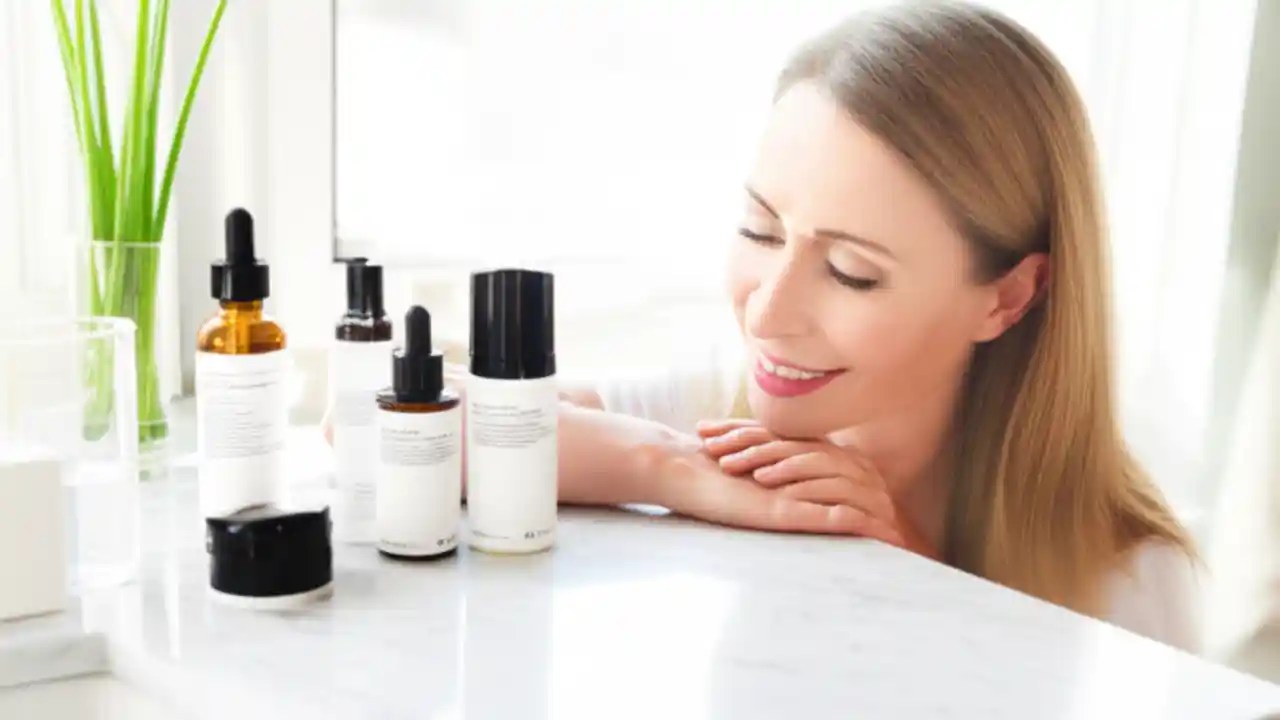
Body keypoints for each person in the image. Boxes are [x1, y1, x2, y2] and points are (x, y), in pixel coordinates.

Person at [339, 1, 1201, 650]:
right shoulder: (719, 409)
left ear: (1007, 299)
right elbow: (379, 430)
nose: (768, 308)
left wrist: (911, 582)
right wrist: (675, 467)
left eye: (852, 272)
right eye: (760, 230)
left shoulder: (1130, 582)